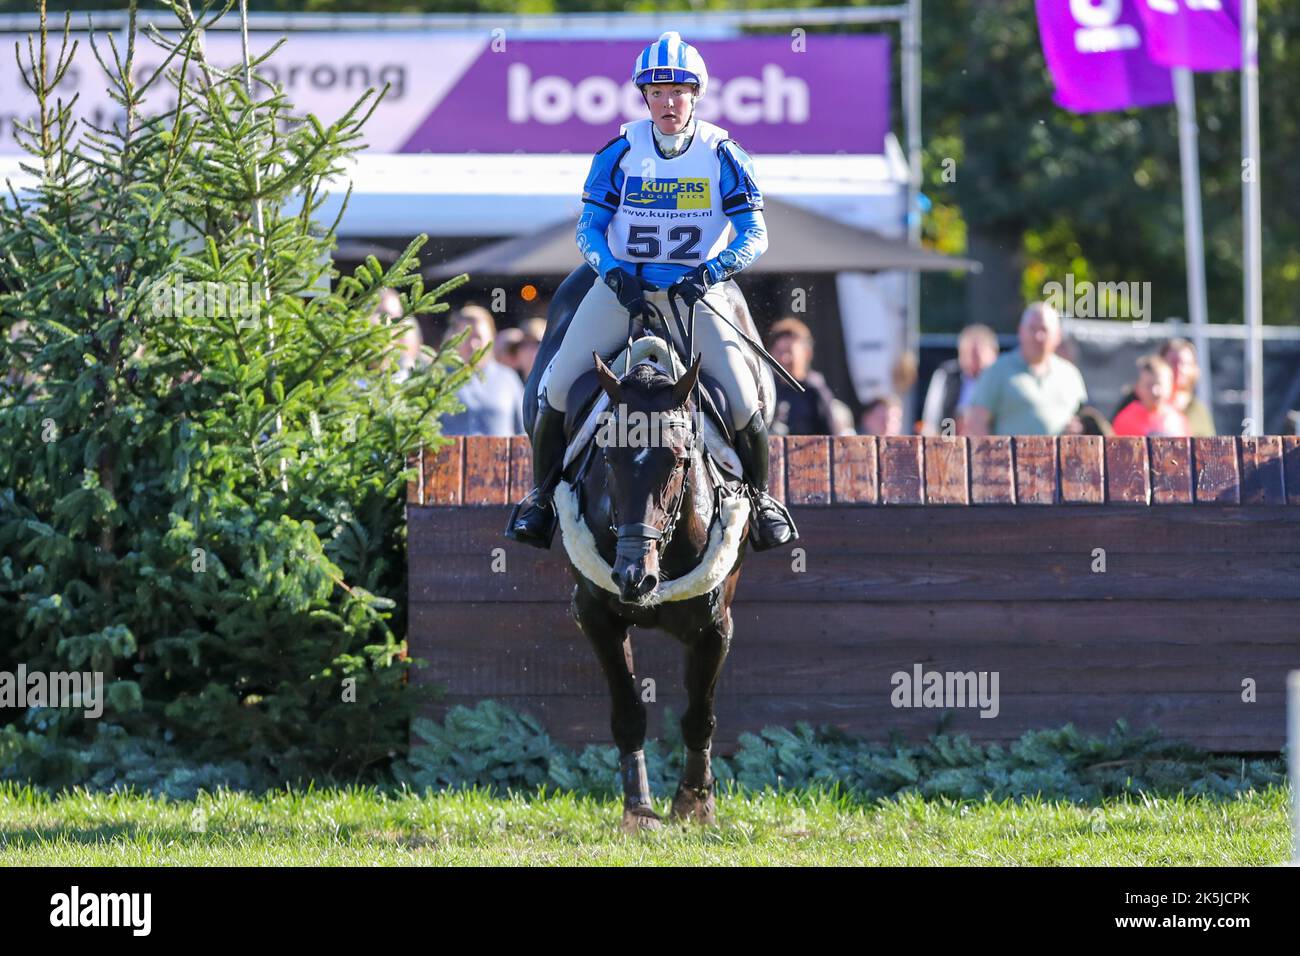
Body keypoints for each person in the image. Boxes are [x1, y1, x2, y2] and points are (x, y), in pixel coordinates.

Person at [506, 31, 796, 551]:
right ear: (644, 97)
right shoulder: (619, 150)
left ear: (696, 94)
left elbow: (757, 234)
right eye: (657, 92)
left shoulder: (723, 153)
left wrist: (713, 270)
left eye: (678, 91)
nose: (668, 102)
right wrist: (613, 272)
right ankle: (542, 499)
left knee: (743, 398)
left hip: (694, 290)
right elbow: (588, 229)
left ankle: (760, 498)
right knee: (554, 386)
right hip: (623, 288)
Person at [963, 302, 1088, 437]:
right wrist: (991, 456)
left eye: (1044, 330)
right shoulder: (997, 372)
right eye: (1032, 329)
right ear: (1021, 331)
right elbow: (976, 422)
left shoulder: (1070, 375)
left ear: (1057, 335)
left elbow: (1084, 417)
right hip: (1009, 458)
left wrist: (1080, 429)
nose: (1038, 336)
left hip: (1063, 458)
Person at [440, 304, 525, 437]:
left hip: (500, 456)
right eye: (466, 337)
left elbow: (524, 431)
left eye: (478, 337)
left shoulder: (508, 378)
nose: (473, 344)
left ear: (491, 339)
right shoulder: (438, 378)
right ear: (454, 339)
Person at [920, 324, 998, 436]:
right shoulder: (947, 376)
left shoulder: (1004, 379)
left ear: (994, 355)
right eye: (968, 355)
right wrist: (949, 440)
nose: (973, 363)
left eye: (978, 356)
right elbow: (932, 419)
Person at [768, 317, 838, 436]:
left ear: (807, 353)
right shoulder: (767, 388)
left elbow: (831, 437)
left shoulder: (814, 390)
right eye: (779, 352)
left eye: (790, 352)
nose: (784, 359)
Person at [1111, 354, 1189, 437]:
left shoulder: (1178, 421)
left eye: (1159, 385)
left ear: (1170, 386)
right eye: (1149, 386)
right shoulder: (1125, 421)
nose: (1155, 391)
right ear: (1138, 387)